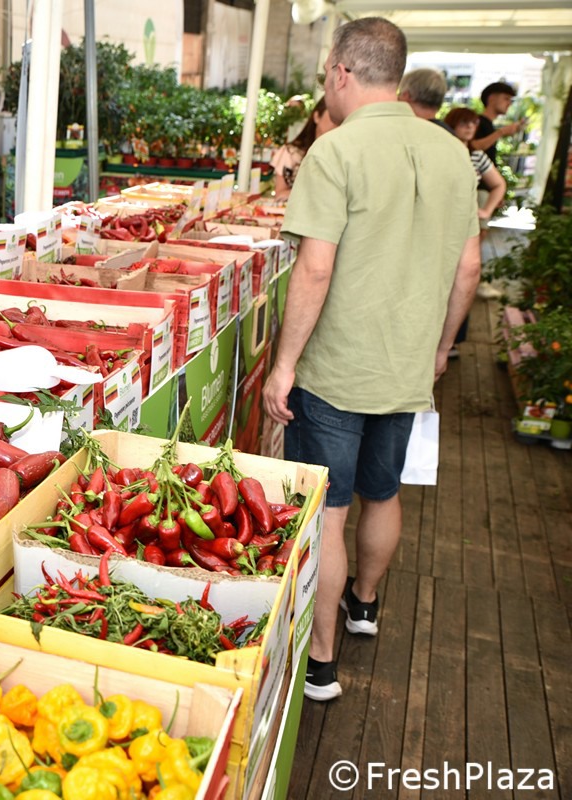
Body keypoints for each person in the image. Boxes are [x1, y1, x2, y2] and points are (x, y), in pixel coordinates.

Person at [262, 17, 481, 702]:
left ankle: (321, 661)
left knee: (327, 508)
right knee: (383, 492)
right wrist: (442, 348)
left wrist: (284, 363)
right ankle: (364, 604)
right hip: (408, 364)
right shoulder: (451, 153)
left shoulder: (336, 151)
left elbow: (315, 270)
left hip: (336, 364)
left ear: (340, 72)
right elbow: (469, 269)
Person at [445, 107, 507, 223]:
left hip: (465, 218)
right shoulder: (441, 152)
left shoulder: (476, 155)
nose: (470, 126)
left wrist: (486, 211)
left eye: (474, 122)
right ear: (452, 124)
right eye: (464, 122)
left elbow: (499, 184)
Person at [269, 97, 335, 198]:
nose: (337, 123)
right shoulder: (291, 152)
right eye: (333, 116)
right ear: (317, 116)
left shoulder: (340, 153)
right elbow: (280, 194)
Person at [472, 81, 524, 163]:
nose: (509, 103)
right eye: (506, 98)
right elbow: (473, 146)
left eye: (510, 100)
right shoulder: (476, 122)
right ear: (491, 98)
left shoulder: (488, 124)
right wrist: (502, 132)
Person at [398, 67, 452, 132]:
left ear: (406, 96)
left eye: (400, 93)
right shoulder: (449, 134)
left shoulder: (402, 131)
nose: (397, 98)